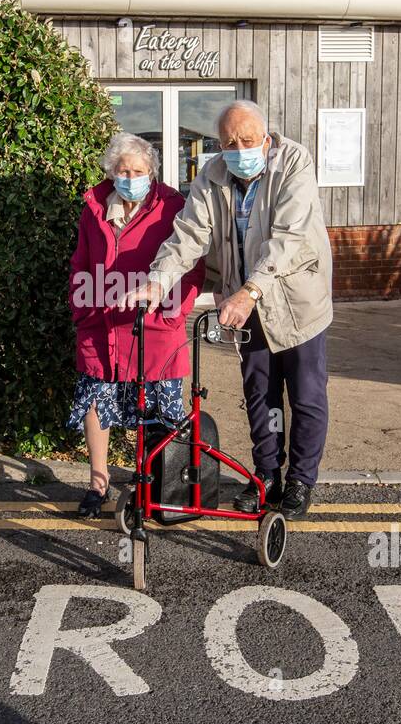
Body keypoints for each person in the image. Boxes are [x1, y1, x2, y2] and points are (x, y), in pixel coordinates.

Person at [117, 100, 332, 521]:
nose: (239, 149)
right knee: (260, 395)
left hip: (296, 303)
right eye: (230, 142)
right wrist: (158, 279)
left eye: (247, 141)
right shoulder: (213, 175)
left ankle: (301, 481)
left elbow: (290, 239)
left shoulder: (293, 163)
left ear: (266, 139)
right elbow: (189, 235)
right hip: (245, 304)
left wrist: (249, 291)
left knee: (305, 397)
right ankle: (267, 476)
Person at [67, 132, 205, 518]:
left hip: (156, 327)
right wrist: (82, 308)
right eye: (123, 170)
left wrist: (171, 315)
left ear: (152, 172)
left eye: (139, 170)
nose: (131, 177)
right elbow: (81, 261)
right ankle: (98, 484)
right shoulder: (95, 206)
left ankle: (159, 489)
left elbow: (192, 267)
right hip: (102, 323)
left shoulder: (173, 205)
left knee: (161, 412)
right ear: (112, 172)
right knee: (97, 400)